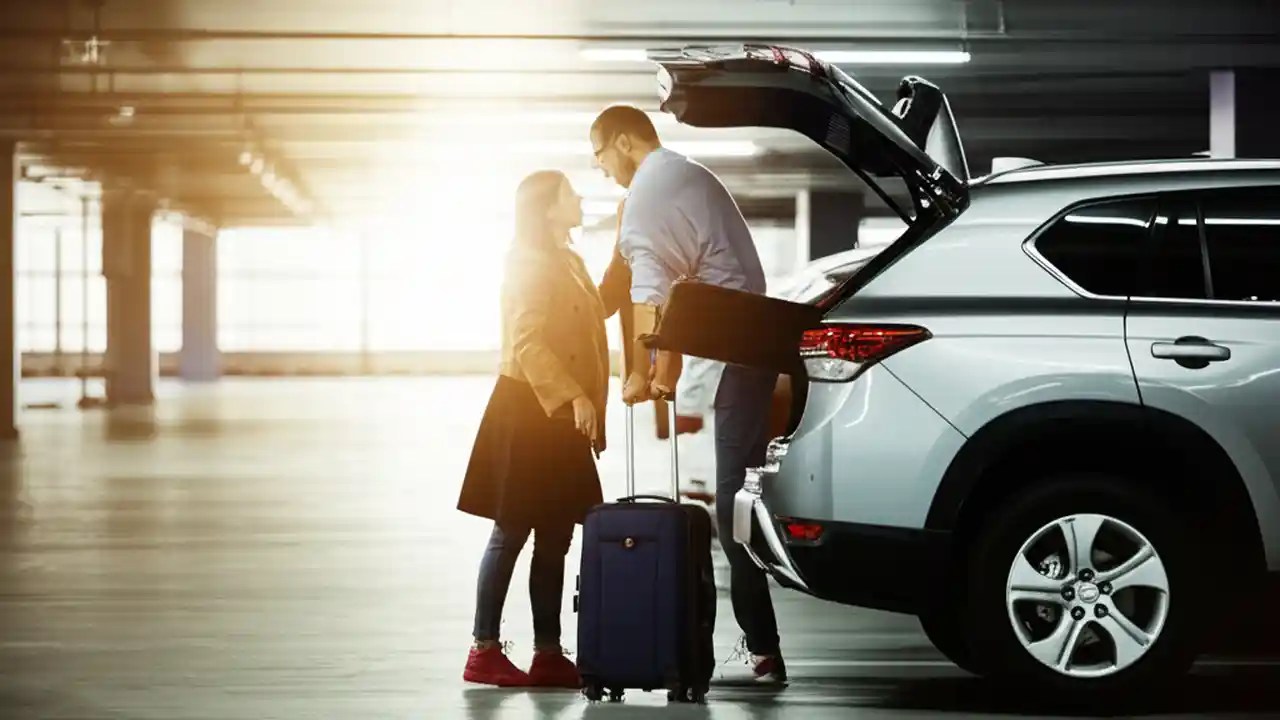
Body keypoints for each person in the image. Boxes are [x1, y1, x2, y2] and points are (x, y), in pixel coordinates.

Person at [588, 105, 787, 685]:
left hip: (740, 353)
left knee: (733, 507)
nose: (600, 171)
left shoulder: (650, 192)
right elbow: (643, 282)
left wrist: (646, 376)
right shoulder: (679, 174)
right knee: (735, 501)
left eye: (599, 156)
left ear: (623, 142)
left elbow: (648, 290)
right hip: (742, 347)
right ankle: (761, 645)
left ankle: (764, 647)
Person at [456, 170, 610, 688]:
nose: (580, 197)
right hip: (529, 409)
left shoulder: (570, 261)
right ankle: (483, 649)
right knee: (513, 528)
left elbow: (593, 314)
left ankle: (548, 651)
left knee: (557, 533)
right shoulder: (526, 260)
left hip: (562, 414)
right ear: (547, 207)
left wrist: (630, 260)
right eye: (570, 191)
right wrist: (575, 394)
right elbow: (527, 340)